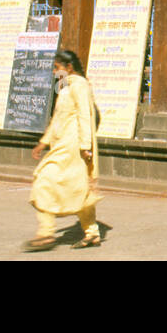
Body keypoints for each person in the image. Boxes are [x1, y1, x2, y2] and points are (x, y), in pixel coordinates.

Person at [25, 49, 101, 250]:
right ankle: (92, 233)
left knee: (44, 181)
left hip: (73, 146)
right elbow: (58, 118)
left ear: (69, 67)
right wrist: (43, 143)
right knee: (78, 188)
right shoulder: (65, 87)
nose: (54, 71)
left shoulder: (80, 85)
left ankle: (46, 234)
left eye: (57, 67)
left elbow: (85, 115)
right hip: (62, 145)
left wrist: (85, 147)